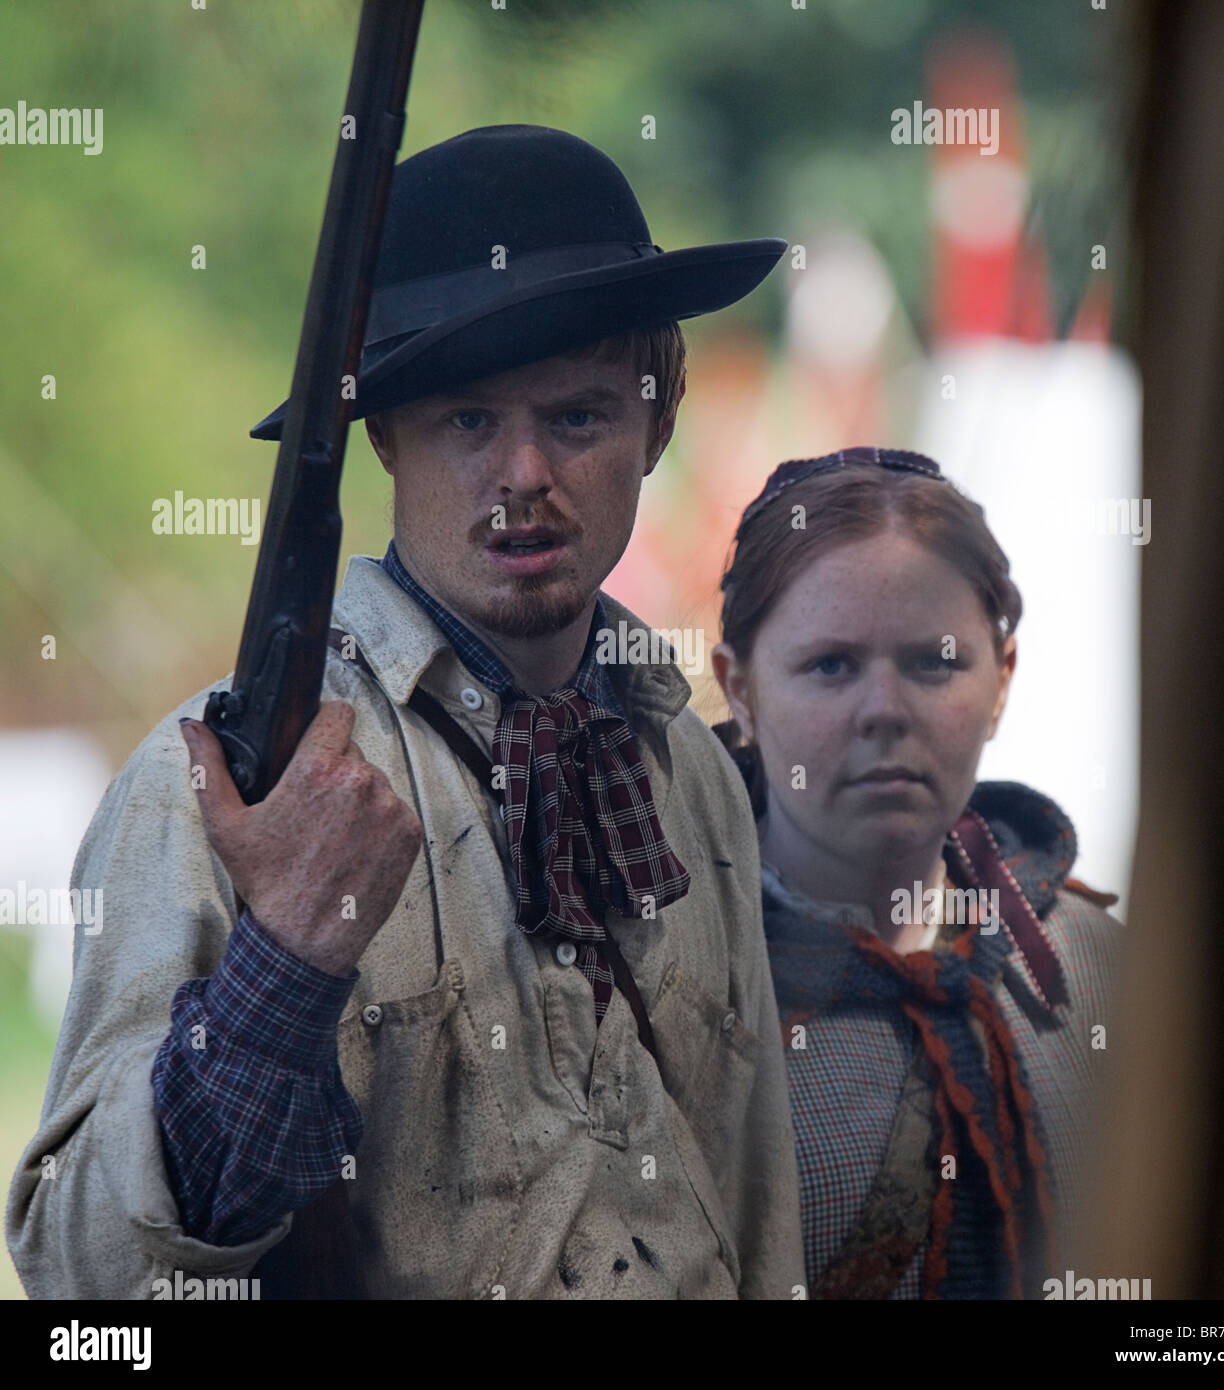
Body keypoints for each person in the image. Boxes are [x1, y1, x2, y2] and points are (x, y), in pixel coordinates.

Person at [7, 125, 805, 1300]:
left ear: (658, 424)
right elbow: (82, 1275)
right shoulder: (229, 781)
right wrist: (279, 971)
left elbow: (756, 1214)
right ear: (383, 435)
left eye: (578, 417)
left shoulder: (691, 778)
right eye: (466, 420)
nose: (522, 472)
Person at [710, 446, 1122, 1299]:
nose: (884, 712)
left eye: (935, 662)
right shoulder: (674, 997)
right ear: (739, 690)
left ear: (1002, 679)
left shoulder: (1096, 971)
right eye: (830, 665)